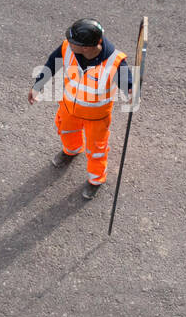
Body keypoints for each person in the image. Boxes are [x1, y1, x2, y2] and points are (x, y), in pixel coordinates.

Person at [26, 18, 133, 200]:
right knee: (66, 131)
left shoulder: (115, 62)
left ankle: (96, 179)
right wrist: (38, 85)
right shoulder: (67, 48)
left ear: (86, 47)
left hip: (97, 118)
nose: (68, 42)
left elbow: (129, 85)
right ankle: (72, 150)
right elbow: (52, 63)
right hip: (69, 109)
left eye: (73, 41)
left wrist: (131, 90)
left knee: (97, 149)